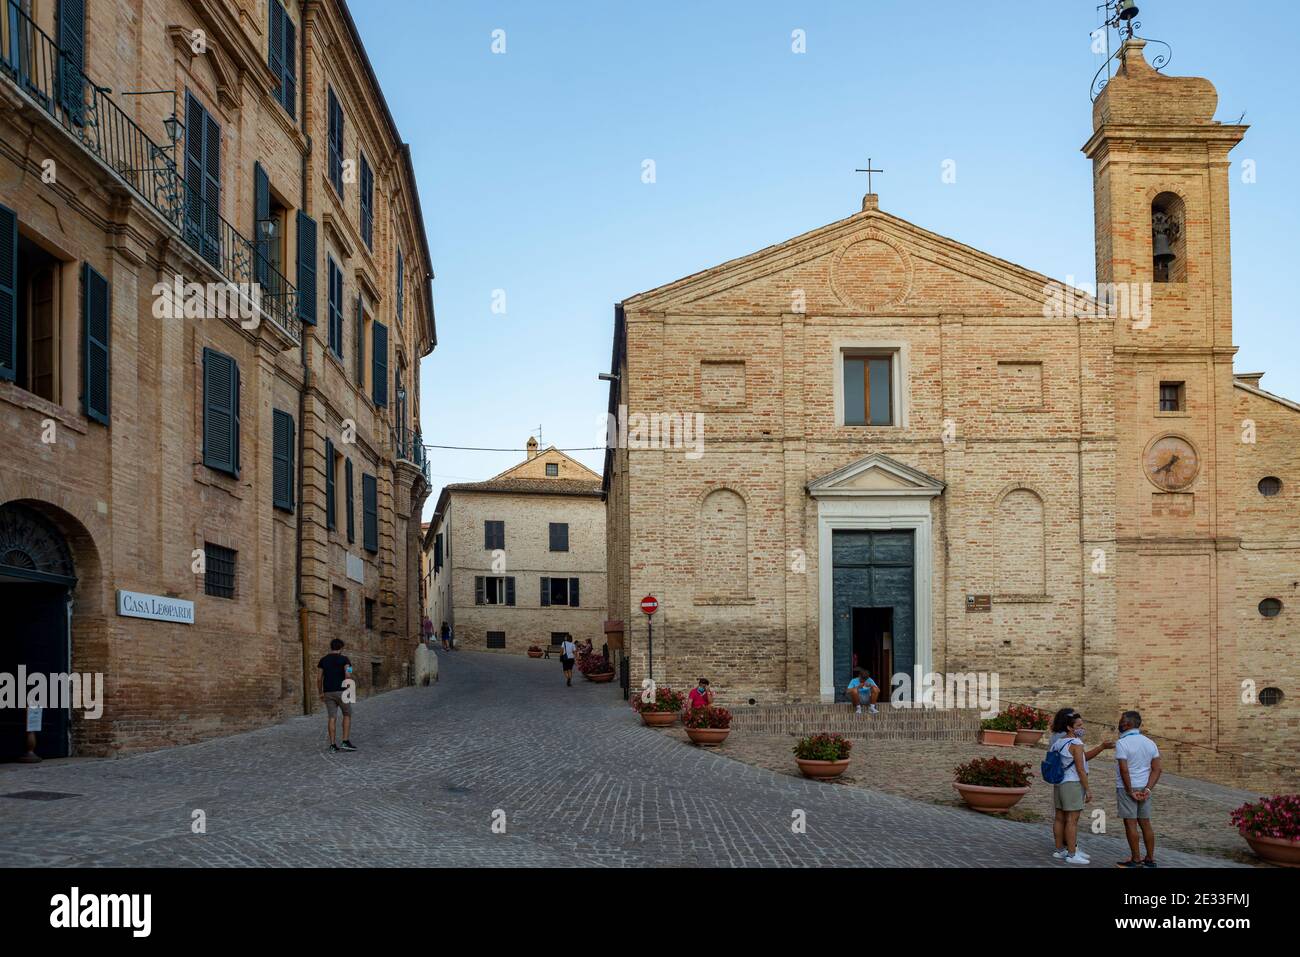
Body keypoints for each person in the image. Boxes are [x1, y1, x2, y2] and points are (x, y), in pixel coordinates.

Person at [1047, 711, 1110, 863]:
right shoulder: (1076, 743)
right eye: (1079, 725)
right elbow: (1081, 769)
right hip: (1073, 783)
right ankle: (1072, 854)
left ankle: (1060, 850)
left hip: (1060, 783)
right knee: (1072, 820)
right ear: (1070, 727)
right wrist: (1087, 789)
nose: (1082, 728)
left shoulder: (1058, 742)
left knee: (1059, 817)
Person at [1114, 710, 1162, 868]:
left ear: (1127, 724)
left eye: (1121, 720)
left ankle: (1135, 859)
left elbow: (1124, 769)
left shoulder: (1122, 743)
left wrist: (1129, 791)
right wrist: (1148, 789)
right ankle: (1150, 859)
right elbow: (1157, 769)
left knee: (1130, 824)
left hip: (1128, 786)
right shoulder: (1150, 743)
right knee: (1146, 823)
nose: (1119, 723)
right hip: (1144, 786)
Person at [317, 638, 357, 753]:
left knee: (332, 717)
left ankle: (333, 745)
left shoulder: (323, 660)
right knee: (347, 714)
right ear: (341, 648)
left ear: (331, 647)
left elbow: (319, 678)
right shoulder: (345, 660)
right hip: (342, 691)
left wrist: (320, 692)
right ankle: (345, 741)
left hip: (328, 692)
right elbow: (348, 675)